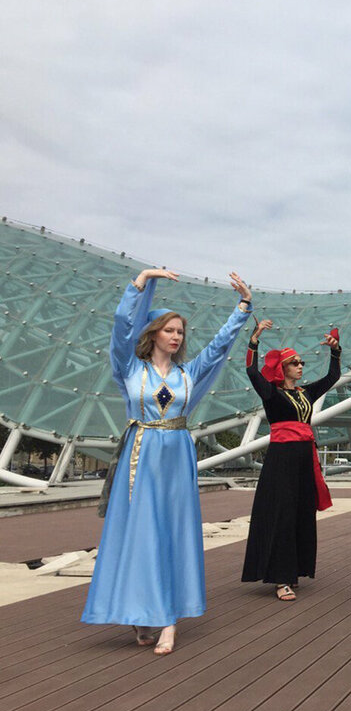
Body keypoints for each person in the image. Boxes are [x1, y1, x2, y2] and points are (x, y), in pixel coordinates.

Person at [82, 268, 254, 654]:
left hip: (176, 456)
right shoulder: (129, 367)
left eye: (180, 332)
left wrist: (242, 307)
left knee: (172, 533)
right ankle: (142, 614)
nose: (176, 337)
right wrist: (140, 281)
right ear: (153, 333)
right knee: (141, 535)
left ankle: (168, 622)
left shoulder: (188, 374)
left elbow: (218, 347)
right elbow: (121, 326)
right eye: (169, 330)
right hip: (139, 457)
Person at [241, 320, 341, 600]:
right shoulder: (271, 393)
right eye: (294, 363)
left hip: (304, 459)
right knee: (282, 515)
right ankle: (280, 578)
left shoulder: (305, 393)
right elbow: (251, 369)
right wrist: (255, 338)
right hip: (282, 460)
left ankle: (295, 570)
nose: (300, 366)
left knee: (302, 512)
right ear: (282, 368)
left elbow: (333, 377)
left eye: (301, 362)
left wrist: (335, 350)